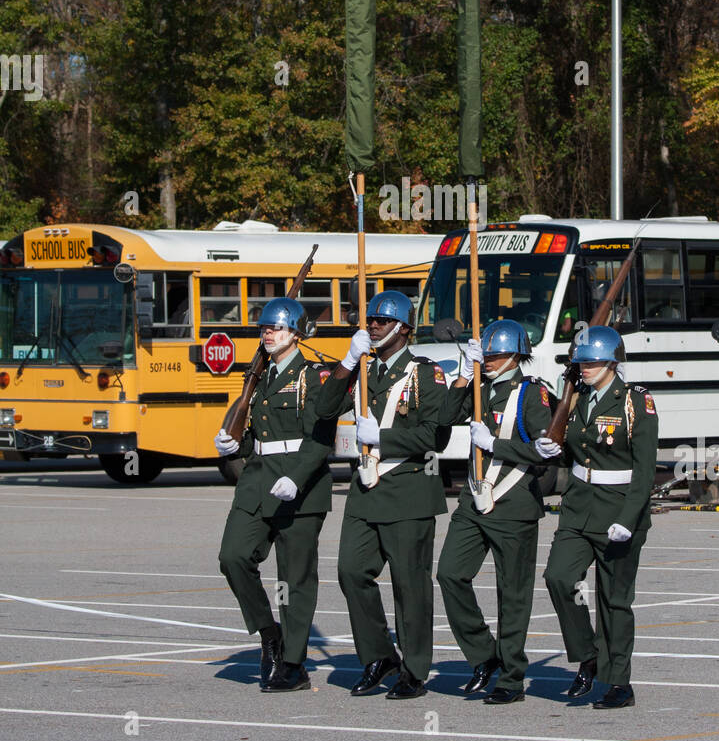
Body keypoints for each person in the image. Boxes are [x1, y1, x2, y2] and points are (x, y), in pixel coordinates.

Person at [316, 291, 448, 699]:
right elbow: (323, 409)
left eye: (381, 321)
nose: (372, 325)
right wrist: (347, 361)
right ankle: (378, 655)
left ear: (403, 328)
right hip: (366, 491)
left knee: (410, 585)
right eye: (369, 320)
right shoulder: (362, 367)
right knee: (351, 571)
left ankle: (414, 669)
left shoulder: (425, 373)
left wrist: (384, 438)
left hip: (408, 488)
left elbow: (435, 436)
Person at [215, 298, 338, 692]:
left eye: (277, 328)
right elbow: (259, 434)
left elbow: (321, 438)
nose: (268, 334)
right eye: (264, 328)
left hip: (300, 486)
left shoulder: (313, 377)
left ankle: (293, 664)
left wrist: (297, 477)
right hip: (257, 481)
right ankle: (270, 633)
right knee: (233, 556)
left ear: (296, 334)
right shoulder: (261, 375)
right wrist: (235, 445)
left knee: (294, 578)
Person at [436, 321, 556, 704]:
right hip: (473, 500)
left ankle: (511, 677)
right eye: (485, 355)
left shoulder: (532, 393)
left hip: (514, 502)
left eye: (496, 355)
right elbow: (444, 417)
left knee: (513, 594)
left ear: (516, 356)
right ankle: (484, 655)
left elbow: (546, 452)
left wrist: (495, 446)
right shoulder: (478, 387)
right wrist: (463, 373)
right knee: (450, 573)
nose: (488, 361)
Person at [540, 326, 658, 710]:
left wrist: (629, 517)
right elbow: (575, 451)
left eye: (591, 362)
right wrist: (548, 448)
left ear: (611, 363)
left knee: (614, 601)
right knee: (558, 577)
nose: (584, 368)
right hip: (578, 506)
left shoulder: (635, 402)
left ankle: (618, 682)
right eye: (581, 363)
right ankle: (588, 655)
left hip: (618, 510)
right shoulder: (576, 397)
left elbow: (645, 470)